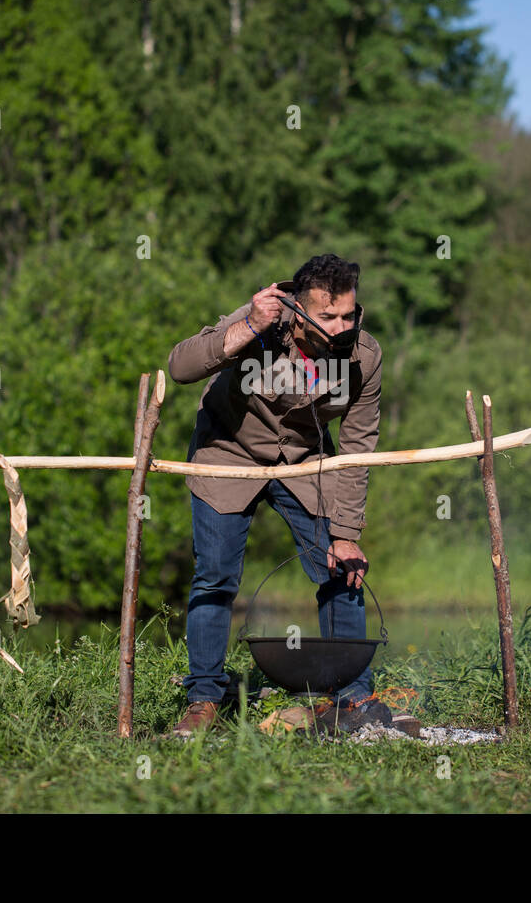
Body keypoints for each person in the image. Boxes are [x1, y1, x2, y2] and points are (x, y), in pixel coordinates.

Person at [165, 253, 392, 737]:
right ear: (299, 306)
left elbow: (357, 448)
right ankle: (204, 696)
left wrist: (346, 533)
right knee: (215, 577)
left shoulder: (364, 358)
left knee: (341, 568)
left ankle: (352, 697)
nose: (340, 326)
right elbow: (180, 367)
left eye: (349, 315)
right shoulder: (264, 316)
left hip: (305, 460)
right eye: (327, 316)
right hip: (227, 452)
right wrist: (247, 324)